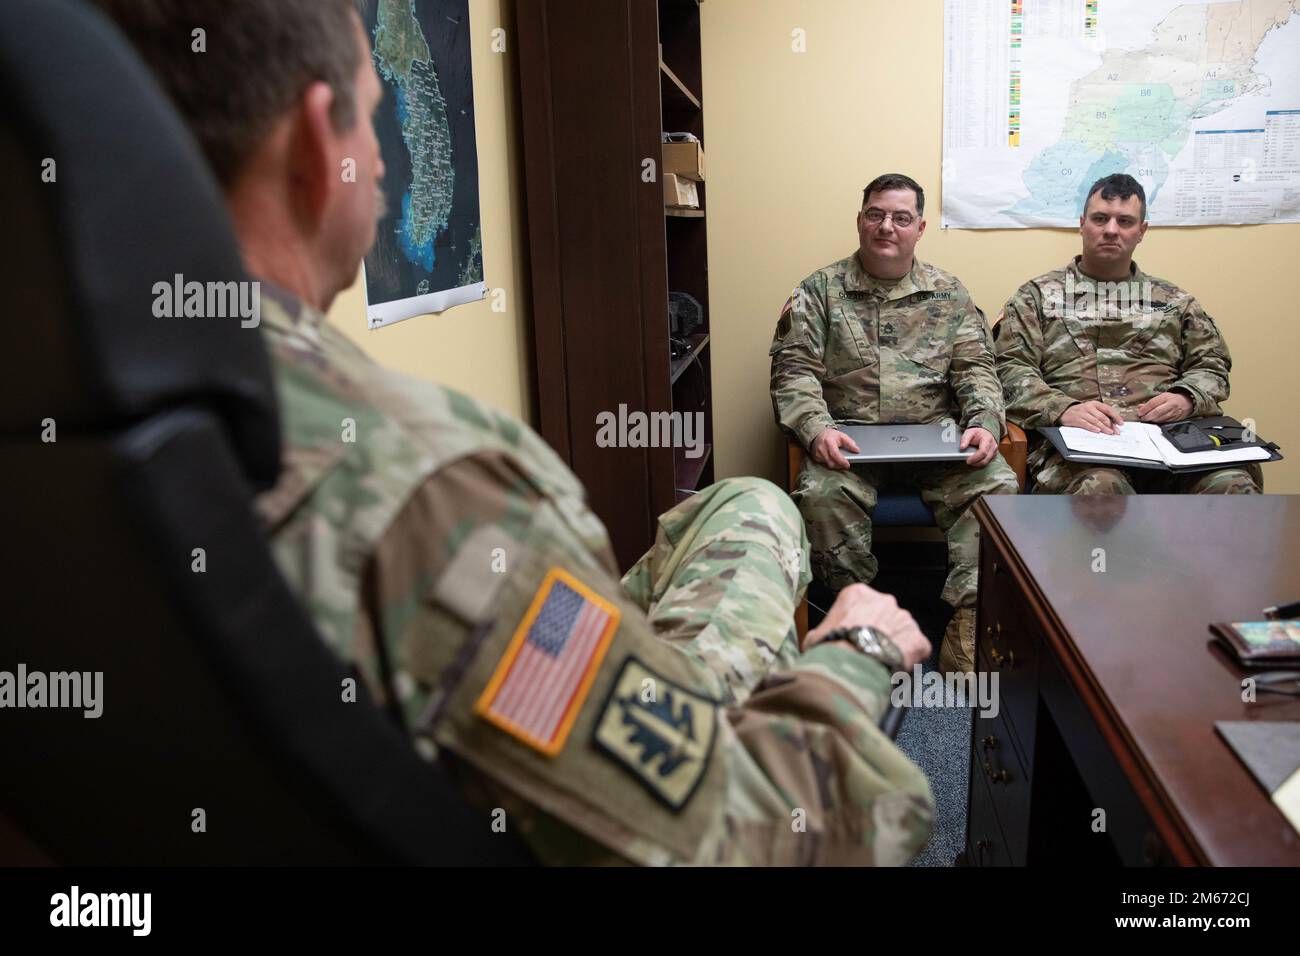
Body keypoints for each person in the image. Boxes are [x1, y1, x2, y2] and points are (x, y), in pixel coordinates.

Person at [95, 0, 935, 865]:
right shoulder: (426, 486)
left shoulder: (104, 391)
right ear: (317, 142)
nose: (383, 158)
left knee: (739, 502)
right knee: (763, 515)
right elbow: (735, 838)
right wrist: (855, 654)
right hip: (614, 792)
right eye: (370, 111)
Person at [770, 173, 1019, 674]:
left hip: (938, 443)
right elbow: (793, 371)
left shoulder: (949, 294)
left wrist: (986, 422)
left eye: (901, 218)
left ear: (920, 228)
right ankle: (857, 623)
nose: (887, 226)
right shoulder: (818, 291)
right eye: (876, 214)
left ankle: (966, 627)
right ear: (860, 220)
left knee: (997, 485)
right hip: (849, 444)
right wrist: (817, 428)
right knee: (820, 495)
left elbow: (977, 370)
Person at [995, 173, 1262, 495]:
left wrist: (1186, 397)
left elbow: (1212, 363)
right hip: (1082, 449)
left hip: (1171, 441)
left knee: (1233, 485)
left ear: (1141, 231)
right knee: (1101, 488)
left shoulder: (1174, 301)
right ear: (1082, 224)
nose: (1110, 230)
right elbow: (1009, 369)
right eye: (1100, 219)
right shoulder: (1036, 297)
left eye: (1124, 221)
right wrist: (1062, 408)